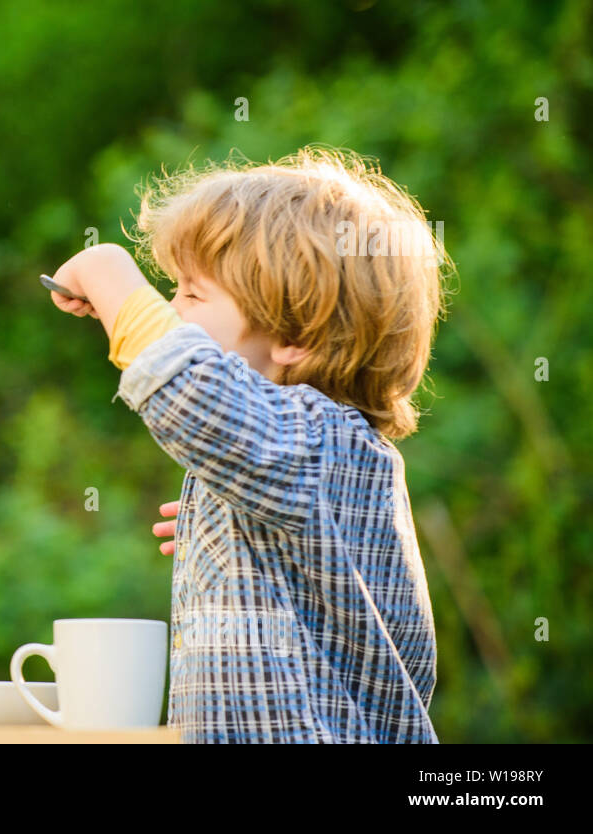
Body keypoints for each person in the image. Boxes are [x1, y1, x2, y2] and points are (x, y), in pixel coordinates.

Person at [45, 148, 444, 743]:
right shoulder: (304, 458)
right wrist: (231, 540)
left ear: (294, 335)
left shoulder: (320, 443)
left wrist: (109, 272)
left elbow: (189, 389)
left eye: (192, 295)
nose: (172, 309)